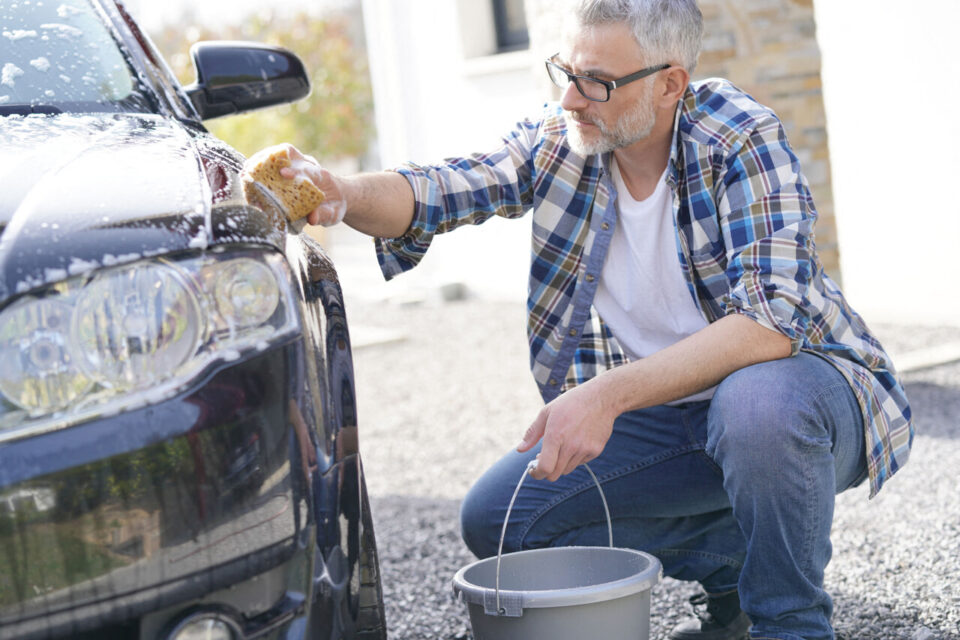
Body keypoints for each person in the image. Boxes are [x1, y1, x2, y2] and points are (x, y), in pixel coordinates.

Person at [258, 1, 912, 637]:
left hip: (808, 392)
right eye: (566, 73)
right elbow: (442, 188)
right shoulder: (562, 141)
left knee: (756, 407)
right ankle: (738, 565)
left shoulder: (738, 135)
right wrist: (344, 193)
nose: (571, 98)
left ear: (669, 85)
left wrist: (604, 396)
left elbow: (770, 324)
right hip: (677, 412)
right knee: (502, 524)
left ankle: (790, 622)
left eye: (597, 81)